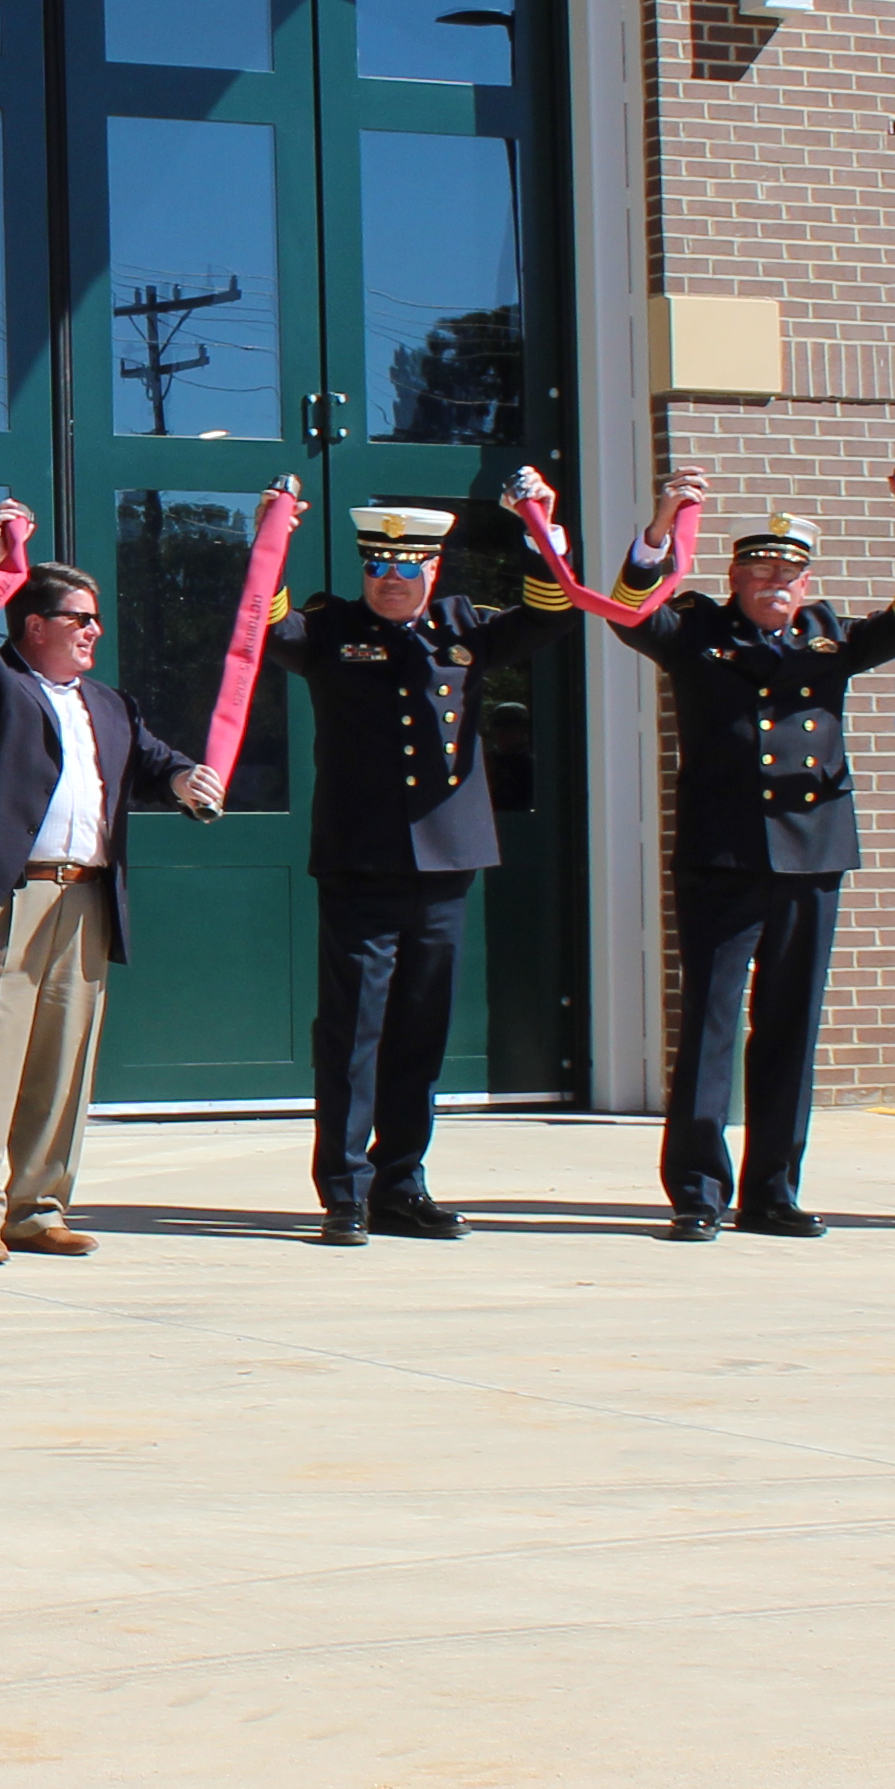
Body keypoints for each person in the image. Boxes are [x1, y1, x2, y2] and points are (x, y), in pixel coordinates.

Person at [604, 471, 895, 1242]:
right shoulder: (696, 632)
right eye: (759, 573)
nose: (773, 586)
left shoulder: (831, 639)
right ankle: (697, 1191)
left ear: (805, 582)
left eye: (787, 575)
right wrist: (659, 528)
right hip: (722, 860)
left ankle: (773, 1191)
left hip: (811, 858)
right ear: (733, 578)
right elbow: (628, 613)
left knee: (792, 1026)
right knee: (713, 1024)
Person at [0, 510, 223, 1259]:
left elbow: (153, 760)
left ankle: (38, 1206)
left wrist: (184, 778)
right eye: (80, 618)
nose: (94, 632)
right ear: (34, 623)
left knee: (63, 1057)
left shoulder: (107, 704)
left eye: (97, 619)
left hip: (83, 899)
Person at [262, 484, 572, 1245]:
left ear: (433, 567)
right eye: (379, 566)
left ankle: (402, 1182)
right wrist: (273, 537)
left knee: (420, 1031)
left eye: (407, 565)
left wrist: (541, 529)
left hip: (444, 863)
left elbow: (553, 611)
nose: (391, 579)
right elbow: (264, 627)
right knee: (354, 1027)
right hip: (360, 861)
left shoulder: (467, 628)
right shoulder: (333, 629)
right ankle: (344, 1190)